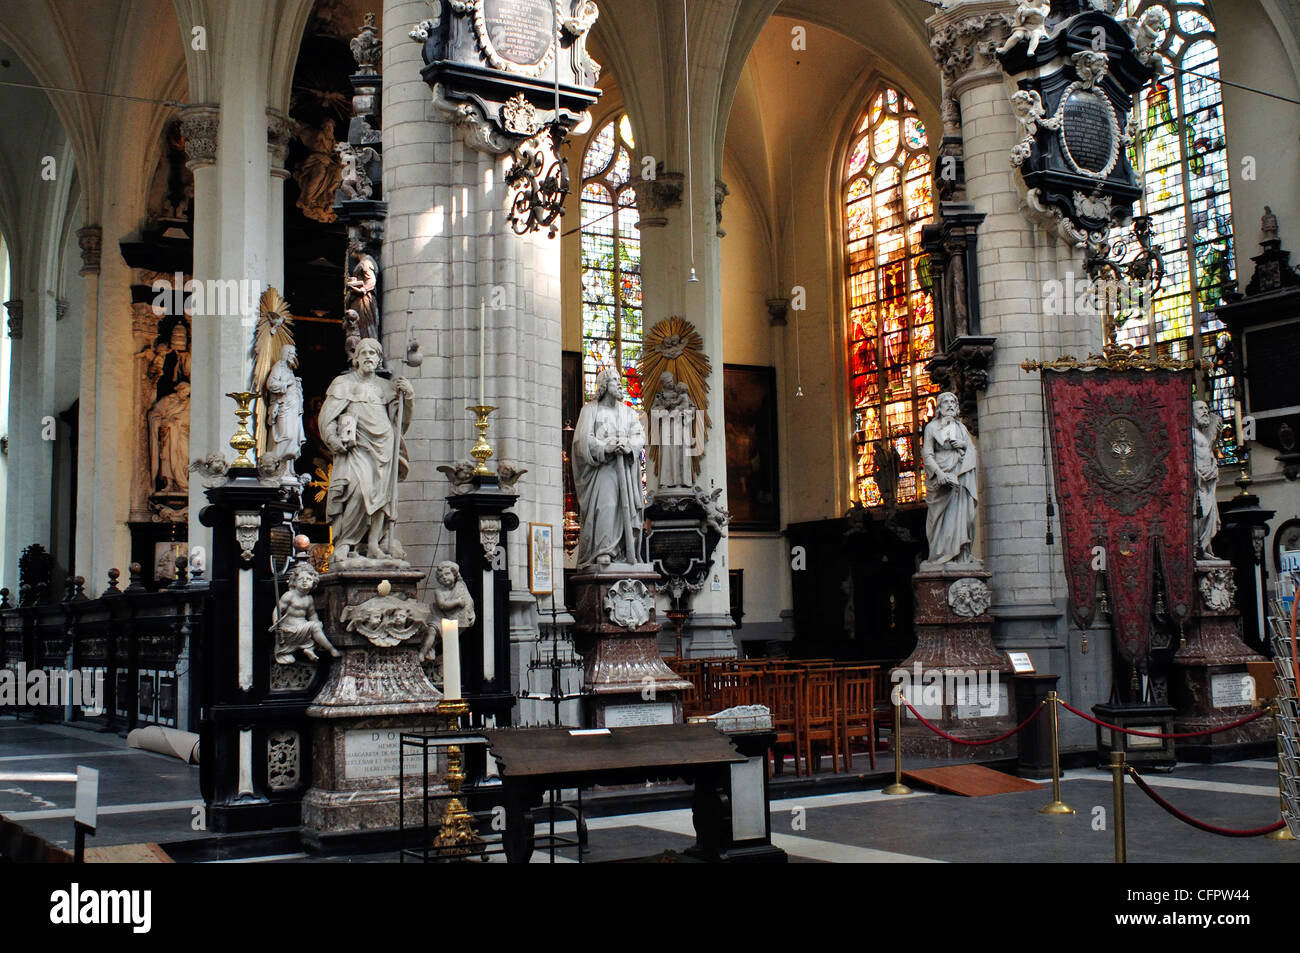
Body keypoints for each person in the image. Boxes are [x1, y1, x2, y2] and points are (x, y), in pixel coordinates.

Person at [318, 338, 414, 564]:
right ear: (356, 358)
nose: (369, 357)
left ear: (379, 359)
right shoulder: (342, 383)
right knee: (358, 490)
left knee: (382, 495)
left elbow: (401, 422)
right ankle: (345, 542)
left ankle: (373, 544)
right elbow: (326, 418)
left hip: (384, 444)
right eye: (365, 353)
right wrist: (332, 439)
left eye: (374, 353)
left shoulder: (387, 387)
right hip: (356, 445)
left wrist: (408, 397)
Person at [572, 368, 647, 568]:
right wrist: (606, 447)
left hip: (626, 469)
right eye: (615, 380)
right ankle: (604, 550)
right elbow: (582, 440)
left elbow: (639, 435)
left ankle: (623, 552)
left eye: (620, 380)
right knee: (608, 505)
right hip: (603, 468)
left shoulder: (629, 412)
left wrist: (629, 446)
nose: (620, 383)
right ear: (604, 386)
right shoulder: (590, 410)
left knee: (626, 510)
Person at [921, 391, 979, 566]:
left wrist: (962, 445)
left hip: (961, 477)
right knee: (941, 521)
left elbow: (971, 450)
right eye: (946, 402)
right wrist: (940, 474)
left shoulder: (962, 428)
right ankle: (942, 556)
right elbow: (927, 454)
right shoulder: (931, 428)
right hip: (941, 478)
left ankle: (961, 555)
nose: (950, 405)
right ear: (939, 407)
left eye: (953, 402)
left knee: (965, 517)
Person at [265, 344, 305, 478]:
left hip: (293, 410)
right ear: (286, 353)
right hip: (284, 408)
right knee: (285, 436)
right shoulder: (279, 367)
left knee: (293, 439)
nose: (294, 356)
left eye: (294, 353)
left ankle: (287, 470)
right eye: (292, 353)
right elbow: (271, 384)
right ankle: (275, 468)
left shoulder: (289, 370)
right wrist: (286, 384)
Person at [147, 381, 191, 494]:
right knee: (167, 456)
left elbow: (192, 417)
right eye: (185, 392)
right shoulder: (167, 400)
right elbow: (154, 414)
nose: (186, 395)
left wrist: (178, 420)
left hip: (182, 433)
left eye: (188, 393)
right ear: (179, 390)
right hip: (168, 434)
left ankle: (183, 482)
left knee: (184, 456)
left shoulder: (189, 403)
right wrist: (161, 422)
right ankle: (169, 484)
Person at [1193, 400, 1221, 557]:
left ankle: (1203, 548)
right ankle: (1194, 550)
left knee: (1208, 516)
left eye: (1206, 408)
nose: (1204, 411)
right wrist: (1195, 472)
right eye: (1200, 408)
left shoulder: (1203, 435)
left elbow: (1208, 454)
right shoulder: (1188, 433)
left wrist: (1214, 468)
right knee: (1198, 516)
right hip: (1197, 483)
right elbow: (1184, 456)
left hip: (1208, 482)